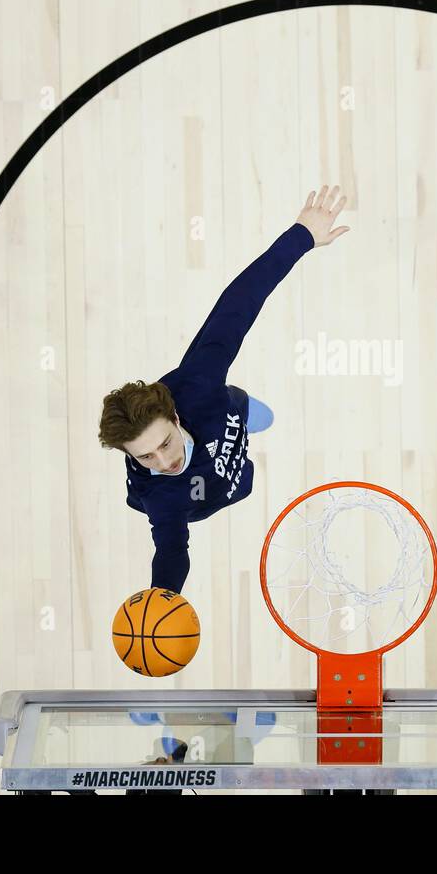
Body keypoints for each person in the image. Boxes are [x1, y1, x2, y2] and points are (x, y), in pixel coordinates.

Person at [97, 185, 350, 593]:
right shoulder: (159, 493)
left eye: (164, 443)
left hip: (227, 415)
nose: (163, 461)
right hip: (208, 496)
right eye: (144, 456)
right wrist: (163, 600)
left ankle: (245, 417)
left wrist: (301, 236)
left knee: (263, 416)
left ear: (174, 417)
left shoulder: (198, 380)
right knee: (192, 496)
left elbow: (238, 305)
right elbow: (172, 550)